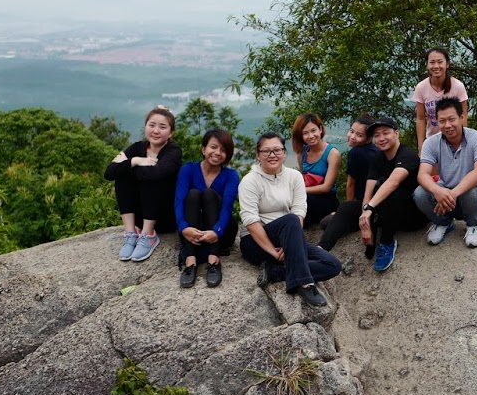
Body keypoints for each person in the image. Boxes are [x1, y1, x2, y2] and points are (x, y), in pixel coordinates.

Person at [238, 132, 342, 307]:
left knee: (332, 265)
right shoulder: (249, 181)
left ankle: (275, 273)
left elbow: (300, 210)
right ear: (258, 155)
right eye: (266, 151)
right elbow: (251, 221)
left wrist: (291, 245)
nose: (272, 155)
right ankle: (304, 283)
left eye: (277, 150)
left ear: (284, 153)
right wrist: (273, 251)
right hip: (256, 242)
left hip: (288, 236)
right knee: (291, 219)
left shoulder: (294, 177)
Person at [104, 106, 183, 262]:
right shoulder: (137, 148)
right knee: (123, 176)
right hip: (140, 216)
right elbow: (109, 173)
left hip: (164, 217)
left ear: (171, 132)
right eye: (151, 125)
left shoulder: (173, 152)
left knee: (148, 177)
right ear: (145, 126)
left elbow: (156, 174)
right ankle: (130, 233)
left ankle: (149, 236)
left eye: (162, 127)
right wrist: (135, 160)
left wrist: (126, 165)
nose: (156, 130)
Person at [414, 96, 477, 248]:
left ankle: (474, 224)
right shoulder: (431, 142)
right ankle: (443, 222)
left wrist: (453, 193)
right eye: (442, 121)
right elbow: (422, 174)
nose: (447, 125)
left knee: (472, 189)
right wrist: (437, 190)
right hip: (446, 194)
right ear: (436, 121)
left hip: (473, 194)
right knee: (419, 193)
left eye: (452, 119)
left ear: (462, 118)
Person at [358, 115, 427, 273]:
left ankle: (387, 242)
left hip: (414, 216)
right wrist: (365, 220)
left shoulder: (407, 154)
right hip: (390, 214)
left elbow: (393, 182)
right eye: (376, 135)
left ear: (396, 133)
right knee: (374, 189)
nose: (381, 138)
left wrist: (369, 207)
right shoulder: (377, 158)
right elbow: (368, 190)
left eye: (385, 133)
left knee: (390, 189)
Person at [174, 128, 239, 288]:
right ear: (203, 149)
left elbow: (227, 207)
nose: (217, 153)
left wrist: (217, 231)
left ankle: (214, 259)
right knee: (193, 194)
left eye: (223, 150)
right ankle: (190, 261)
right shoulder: (188, 170)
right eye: (213, 147)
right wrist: (184, 228)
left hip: (221, 229)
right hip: (193, 230)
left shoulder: (231, 176)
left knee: (210, 194)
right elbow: (179, 201)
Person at [319, 115, 376, 254]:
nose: (352, 136)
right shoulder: (376, 150)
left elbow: (351, 184)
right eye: (351, 131)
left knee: (326, 222)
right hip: (377, 204)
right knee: (330, 220)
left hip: (366, 204)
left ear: (369, 138)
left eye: (359, 135)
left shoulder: (356, 152)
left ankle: (321, 249)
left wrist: (347, 210)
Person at [413, 47, 469, 149]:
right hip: (432, 140)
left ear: (447, 64)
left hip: (455, 139)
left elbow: (463, 115)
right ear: (427, 65)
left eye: (440, 62)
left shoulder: (458, 86)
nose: (436, 66)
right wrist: (421, 147)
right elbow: (420, 119)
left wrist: (464, 143)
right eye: (432, 62)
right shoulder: (421, 87)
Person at [291, 113, 342, 228]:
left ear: (320, 129)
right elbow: (303, 177)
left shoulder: (332, 154)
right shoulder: (302, 153)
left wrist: (300, 191)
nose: (311, 136)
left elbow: (326, 187)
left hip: (327, 199)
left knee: (302, 202)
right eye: (305, 133)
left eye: (313, 130)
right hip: (308, 195)